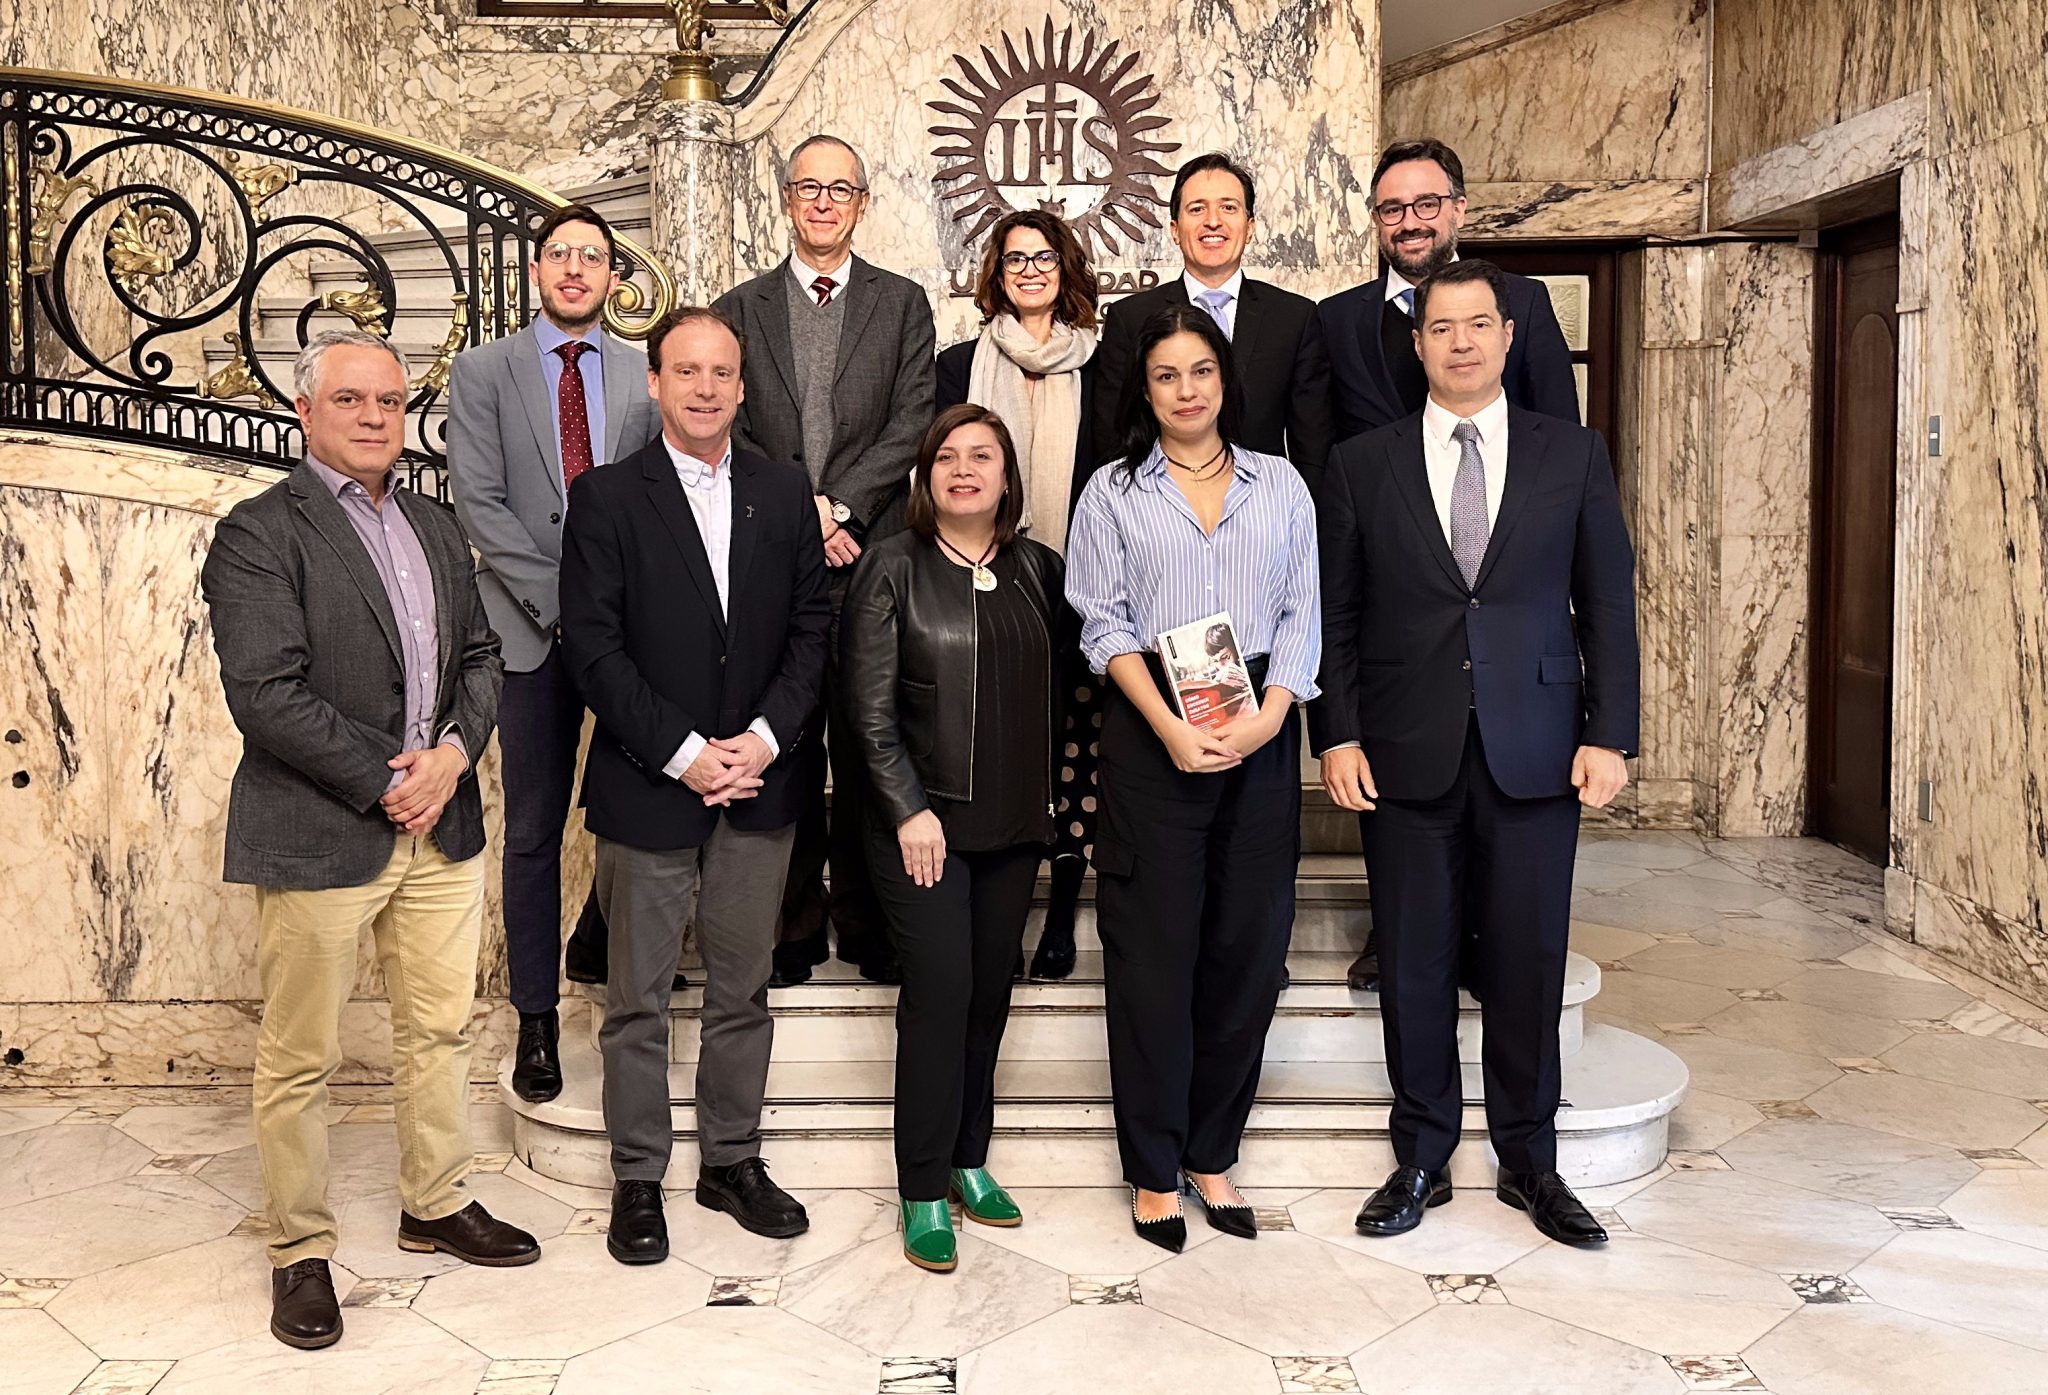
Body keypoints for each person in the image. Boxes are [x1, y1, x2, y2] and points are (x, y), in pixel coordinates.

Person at [201, 330, 538, 1352]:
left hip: (443, 827)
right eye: (350, 400)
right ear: (306, 411)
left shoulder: (437, 526)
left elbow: (482, 656)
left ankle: (433, 1201)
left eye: (389, 401)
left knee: (436, 1032)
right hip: (321, 829)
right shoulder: (260, 533)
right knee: (300, 1054)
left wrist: (448, 756)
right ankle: (298, 1248)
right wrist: (385, 782)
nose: (372, 416)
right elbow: (265, 694)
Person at [1312, 260, 1639, 1247]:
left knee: (1527, 961)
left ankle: (1528, 1163)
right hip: (1404, 751)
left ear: (1506, 337)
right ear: (1414, 346)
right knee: (1412, 962)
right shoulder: (1360, 463)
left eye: (1476, 325)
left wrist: (1610, 733)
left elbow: (1608, 602)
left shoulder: (1569, 453)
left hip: (1536, 749)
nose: (1458, 342)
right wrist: (1335, 730)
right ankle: (1419, 1157)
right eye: (1438, 327)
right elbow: (1337, 612)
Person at [558, 305, 832, 1263]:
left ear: (743, 385)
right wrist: (685, 752)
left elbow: (813, 632)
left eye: (722, 372)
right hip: (649, 784)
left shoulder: (785, 491)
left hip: (761, 784)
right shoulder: (606, 499)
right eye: (687, 371)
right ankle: (639, 1176)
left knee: (742, 989)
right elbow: (593, 650)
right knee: (635, 997)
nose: (706, 387)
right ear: (655, 383)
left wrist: (759, 740)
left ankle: (730, 1161)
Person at [1066, 305, 1321, 1254]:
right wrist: (1171, 726)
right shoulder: (1113, 492)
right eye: (1167, 374)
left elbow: (1305, 611)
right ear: (1145, 389)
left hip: (1259, 723)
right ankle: (1153, 1165)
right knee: (1153, 955)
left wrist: (1268, 716)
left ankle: (1215, 1153)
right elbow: (1101, 622)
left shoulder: (1282, 485)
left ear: (1224, 380)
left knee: (1247, 951)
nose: (1186, 389)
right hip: (1151, 732)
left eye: (1201, 371)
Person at [1318, 137, 1583, 990]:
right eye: (1393, 207)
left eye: (1427, 203)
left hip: (1499, 593)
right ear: (1376, 221)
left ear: (1460, 210)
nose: (1411, 220)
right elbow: (1327, 456)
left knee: (1499, 797)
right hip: (1398, 600)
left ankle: (1487, 937)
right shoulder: (1340, 320)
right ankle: (1397, 935)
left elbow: (1556, 442)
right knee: (1405, 797)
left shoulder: (1522, 305)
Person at [446, 202, 665, 1106]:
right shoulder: (483, 369)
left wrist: (609, 610)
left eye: (594, 256)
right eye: (561, 254)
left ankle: (602, 948)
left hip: (619, 630)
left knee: (636, 808)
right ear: (538, 272)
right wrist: (561, 601)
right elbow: (481, 504)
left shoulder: (637, 374)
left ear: (615, 278)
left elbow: (653, 500)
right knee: (533, 826)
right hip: (529, 631)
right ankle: (535, 1020)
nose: (577, 268)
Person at [841, 404, 1066, 1271]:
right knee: (940, 993)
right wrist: (907, 807)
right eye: (947, 456)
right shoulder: (890, 568)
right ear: (925, 476)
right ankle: (923, 1183)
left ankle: (971, 1157)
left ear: (1008, 477)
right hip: (921, 827)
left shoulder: (1037, 571)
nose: (963, 469)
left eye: (983, 456)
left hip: (1012, 828)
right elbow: (867, 709)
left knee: (988, 998)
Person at [714, 134, 936, 987]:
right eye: (808, 186)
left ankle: (871, 922)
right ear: (786, 199)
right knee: (787, 742)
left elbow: (914, 415)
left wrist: (838, 506)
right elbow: (729, 423)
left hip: (873, 554)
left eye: (840, 188)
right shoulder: (742, 306)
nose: (822, 202)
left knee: (872, 737)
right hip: (775, 558)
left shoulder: (903, 303)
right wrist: (802, 511)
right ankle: (793, 926)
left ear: (863, 203)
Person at [934, 208, 1098, 980]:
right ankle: (994, 901)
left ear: (1067, 269)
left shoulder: (1103, 363)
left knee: (1073, 749)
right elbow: (937, 476)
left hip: (1079, 583)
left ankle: (1062, 911)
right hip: (984, 589)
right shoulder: (958, 364)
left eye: (1043, 258)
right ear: (995, 275)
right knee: (1005, 748)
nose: (1029, 270)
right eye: (1013, 260)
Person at [1091, 152, 1331, 498]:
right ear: (1175, 230)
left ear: (1250, 228)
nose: (1213, 221)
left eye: (1229, 207)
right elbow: (1114, 440)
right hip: (1158, 516)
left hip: (1264, 515)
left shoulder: (1294, 318)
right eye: (1197, 209)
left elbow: (1313, 447)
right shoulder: (1131, 319)